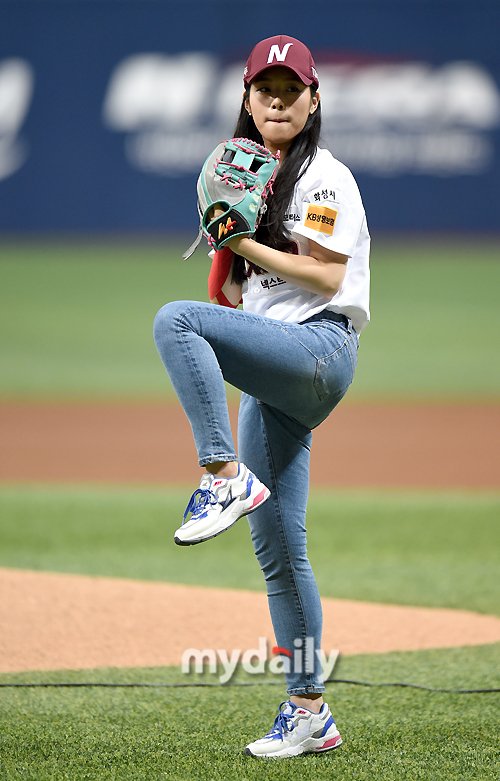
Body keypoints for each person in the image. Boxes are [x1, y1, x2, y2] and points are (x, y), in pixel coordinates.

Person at [153, 34, 370, 759]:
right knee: (279, 548)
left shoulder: (325, 176)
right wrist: (227, 250)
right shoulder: (251, 170)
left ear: (314, 100)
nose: (278, 102)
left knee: (175, 320)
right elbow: (248, 297)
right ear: (247, 98)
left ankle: (220, 477)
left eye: (291, 90)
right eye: (265, 90)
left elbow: (326, 277)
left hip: (319, 347)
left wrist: (240, 243)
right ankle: (310, 710)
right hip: (275, 357)